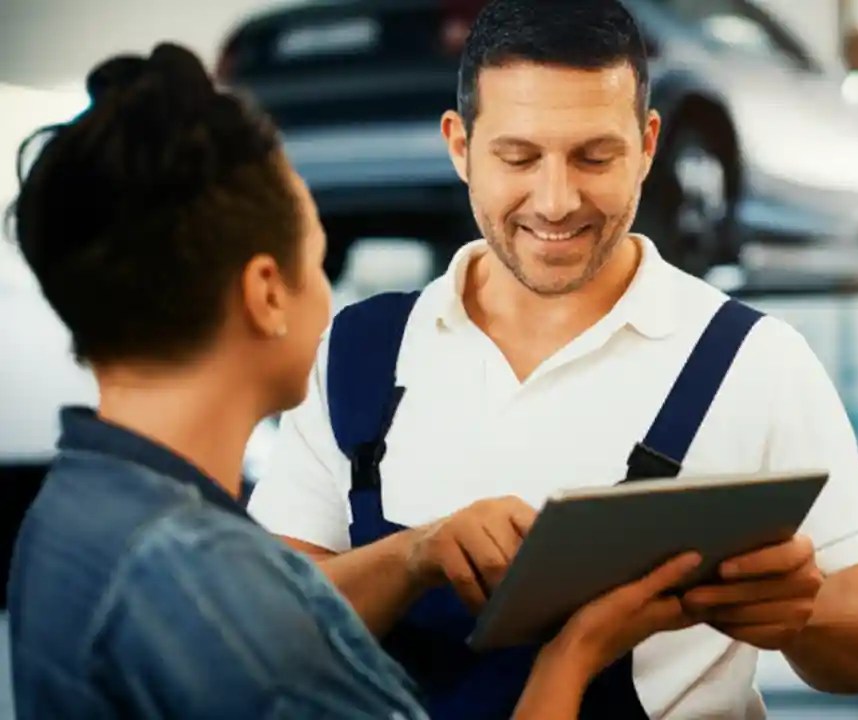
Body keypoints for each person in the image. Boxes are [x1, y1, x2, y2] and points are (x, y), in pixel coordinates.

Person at [247, 0, 858, 718]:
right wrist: (417, 556)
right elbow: (258, 635)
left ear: (648, 144)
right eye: (519, 157)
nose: (557, 200)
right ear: (459, 146)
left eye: (594, 157)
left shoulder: (751, 360)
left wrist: (804, 606)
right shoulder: (362, 352)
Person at [5, 42, 707, 719]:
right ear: (267, 294)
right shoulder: (208, 586)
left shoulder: (71, 510)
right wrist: (577, 653)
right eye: (317, 257)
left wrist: (419, 554)